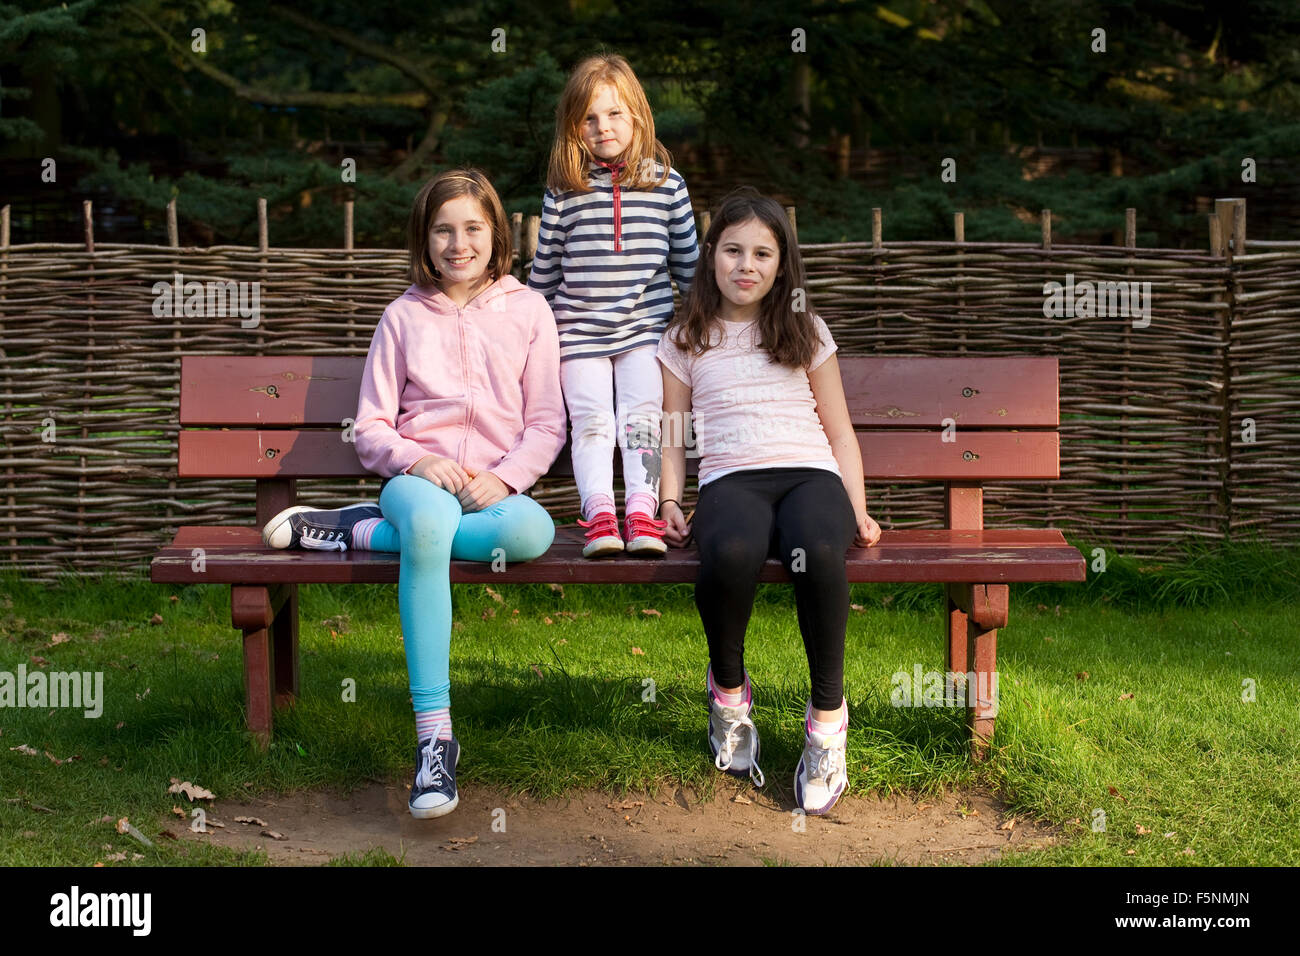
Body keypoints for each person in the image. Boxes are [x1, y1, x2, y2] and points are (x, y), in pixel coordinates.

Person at [261, 169, 566, 819]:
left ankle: (357, 529)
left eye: (473, 229)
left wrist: (507, 477)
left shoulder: (530, 311)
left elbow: (546, 423)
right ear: (423, 241)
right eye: (443, 230)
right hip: (415, 488)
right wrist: (418, 460)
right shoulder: (402, 317)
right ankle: (435, 742)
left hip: (489, 491)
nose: (459, 244)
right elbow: (370, 427)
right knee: (429, 524)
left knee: (534, 533)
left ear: (498, 234)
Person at [656, 187, 882, 815]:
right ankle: (728, 694)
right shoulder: (686, 335)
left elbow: (839, 432)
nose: (745, 265)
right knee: (728, 551)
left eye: (761, 253)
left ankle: (827, 723)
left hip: (811, 476)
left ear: (782, 264)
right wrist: (669, 499)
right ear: (710, 256)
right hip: (732, 480)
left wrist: (857, 508)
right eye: (732, 250)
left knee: (815, 548)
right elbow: (672, 435)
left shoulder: (805, 331)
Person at [529, 52, 699, 558]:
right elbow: (544, 273)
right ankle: (601, 513)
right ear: (574, 127)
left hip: (645, 334)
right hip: (578, 334)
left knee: (643, 417)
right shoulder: (565, 190)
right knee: (593, 421)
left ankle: (642, 513)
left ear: (639, 116)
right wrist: (527, 333)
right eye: (590, 118)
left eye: (615, 113)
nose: (604, 127)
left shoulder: (669, 186)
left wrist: (695, 330)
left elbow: (689, 269)